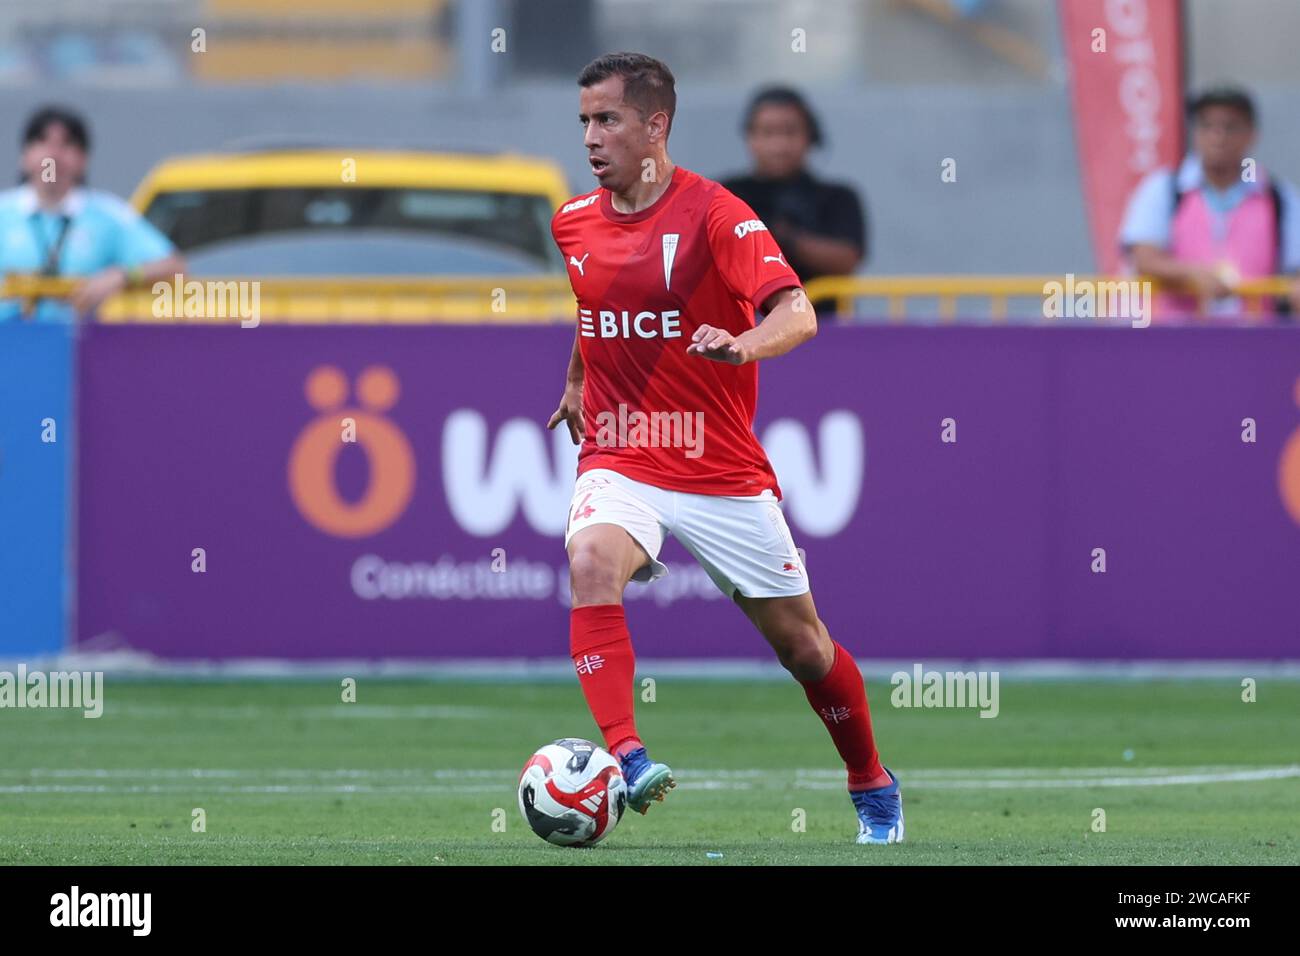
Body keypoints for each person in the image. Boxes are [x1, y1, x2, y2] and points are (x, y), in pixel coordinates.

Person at [546, 52, 902, 844]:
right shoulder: (572, 220)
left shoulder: (718, 216)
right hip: (623, 447)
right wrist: (576, 382)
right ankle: (630, 757)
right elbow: (593, 307)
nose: (591, 138)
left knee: (805, 649)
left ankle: (870, 777)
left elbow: (798, 313)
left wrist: (742, 346)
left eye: (607, 120)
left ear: (655, 125)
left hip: (719, 466)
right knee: (591, 562)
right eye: (584, 122)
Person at [1119, 85, 1300, 323]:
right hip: (1175, 338)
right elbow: (1144, 258)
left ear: (1251, 134)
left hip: (1255, 340)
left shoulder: (1278, 195)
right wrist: (1192, 276)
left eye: (1230, 127)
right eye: (1207, 126)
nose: (1218, 136)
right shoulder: (1165, 188)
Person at [0, 106, 184, 322]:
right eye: (43, 142)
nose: (53, 155)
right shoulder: (4, 212)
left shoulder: (109, 215)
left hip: (83, 347)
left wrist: (121, 276)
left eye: (66, 144)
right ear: (25, 156)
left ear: (83, 159)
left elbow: (174, 267)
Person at [720, 86, 867, 318]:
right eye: (768, 132)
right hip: (742, 334)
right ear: (750, 138)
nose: (779, 145)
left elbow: (846, 259)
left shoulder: (839, 197)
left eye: (789, 132)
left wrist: (783, 237)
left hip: (823, 329)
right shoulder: (725, 194)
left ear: (811, 137)